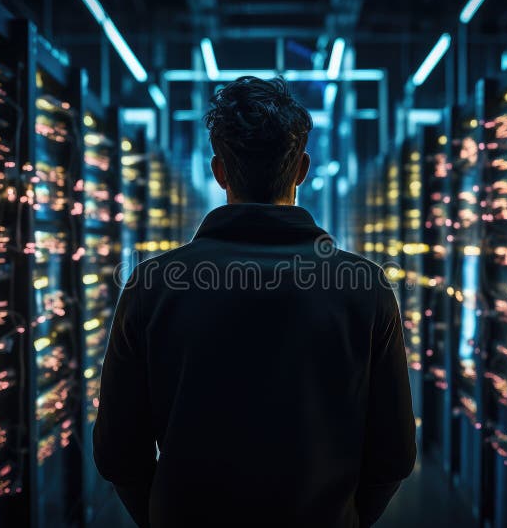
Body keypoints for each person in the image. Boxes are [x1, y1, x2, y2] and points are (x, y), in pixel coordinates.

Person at [93, 76, 416, 528]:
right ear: (301, 168)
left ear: (218, 170)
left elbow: (117, 453)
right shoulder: (365, 286)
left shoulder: (152, 285)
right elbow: (394, 455)